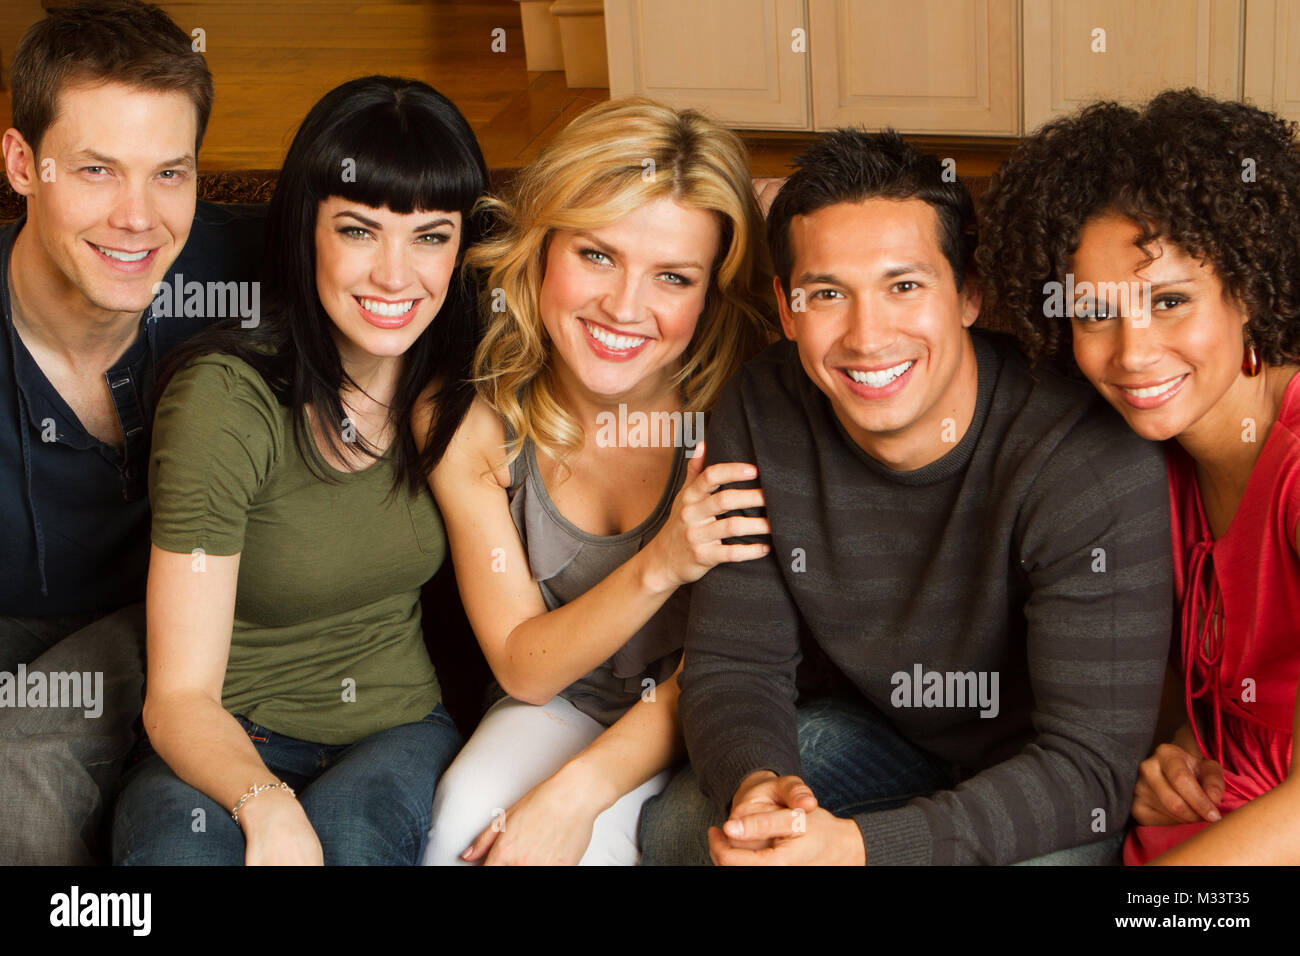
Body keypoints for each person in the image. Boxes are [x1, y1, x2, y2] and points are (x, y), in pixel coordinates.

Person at [638, 128, 1175, 866]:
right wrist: (760, 786)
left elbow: (1086, 771)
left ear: (970, 295)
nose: (868, 336)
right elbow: (739, 664)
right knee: (685, 831)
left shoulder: (1084, 455)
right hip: (889, 739)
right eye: (827, 294)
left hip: (1043, 784)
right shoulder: (763, 408)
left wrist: (861, 849)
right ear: (787, 310)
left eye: (904, 286)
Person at [110, 75, 489, 865]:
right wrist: (266, 805)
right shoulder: (225, 399)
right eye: (358, 230)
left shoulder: (461, 388)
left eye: (430, 236)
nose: (395, 274)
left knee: (356, 844)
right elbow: (180, 699)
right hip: (223, 738)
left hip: (394, 731)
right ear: (304, 230)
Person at [418, 97, 777, 865]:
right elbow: (523, 663)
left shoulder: (745, 414)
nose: (624, 306)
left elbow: (734, 666)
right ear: (542, 248)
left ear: (711, 291)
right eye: (597, 255)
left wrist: (577, 795)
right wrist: (663, 563)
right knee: (459, 832)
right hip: (562, 703)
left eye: (673, 277)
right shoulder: (474, 424)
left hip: (720, 710)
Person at [977, 89, 1300, 865]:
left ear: (1248, 289)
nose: (1132, 352)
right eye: (1095, 312)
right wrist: (1165, 756)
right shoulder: (1140, 460)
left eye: (1170, 301)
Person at [0, 0, 262, 864]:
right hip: (19, 621)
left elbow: (420, 249)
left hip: (194, 605)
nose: (138, 218)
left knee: (23, 756)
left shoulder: (247, 270)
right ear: (21, 163)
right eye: (97, 171)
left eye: (170, 173)